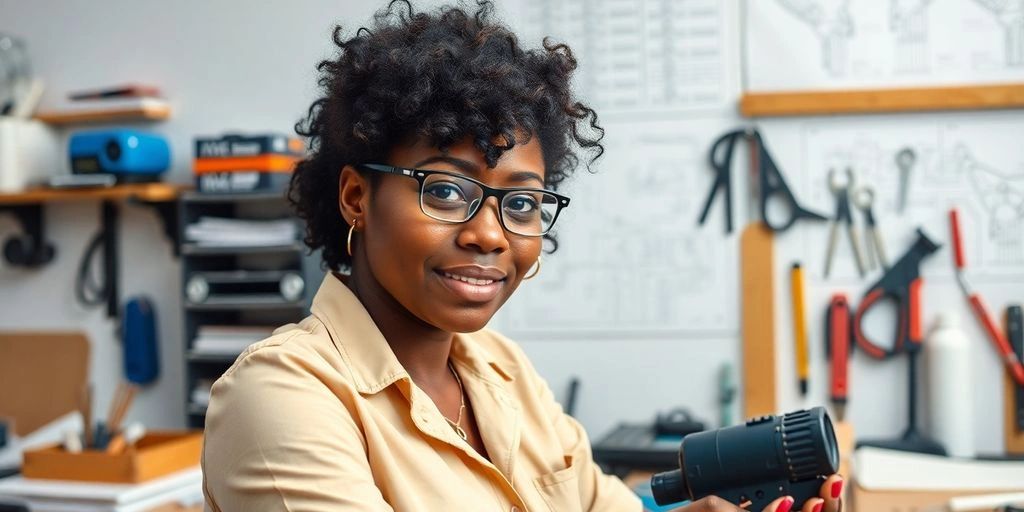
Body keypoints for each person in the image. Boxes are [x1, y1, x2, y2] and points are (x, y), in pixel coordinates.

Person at [200, 2, 844, 511]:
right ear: (355, 197)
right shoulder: (282, 396)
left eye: (523, 203)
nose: (491, 235)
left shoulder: (503, 372)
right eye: (446, 190)